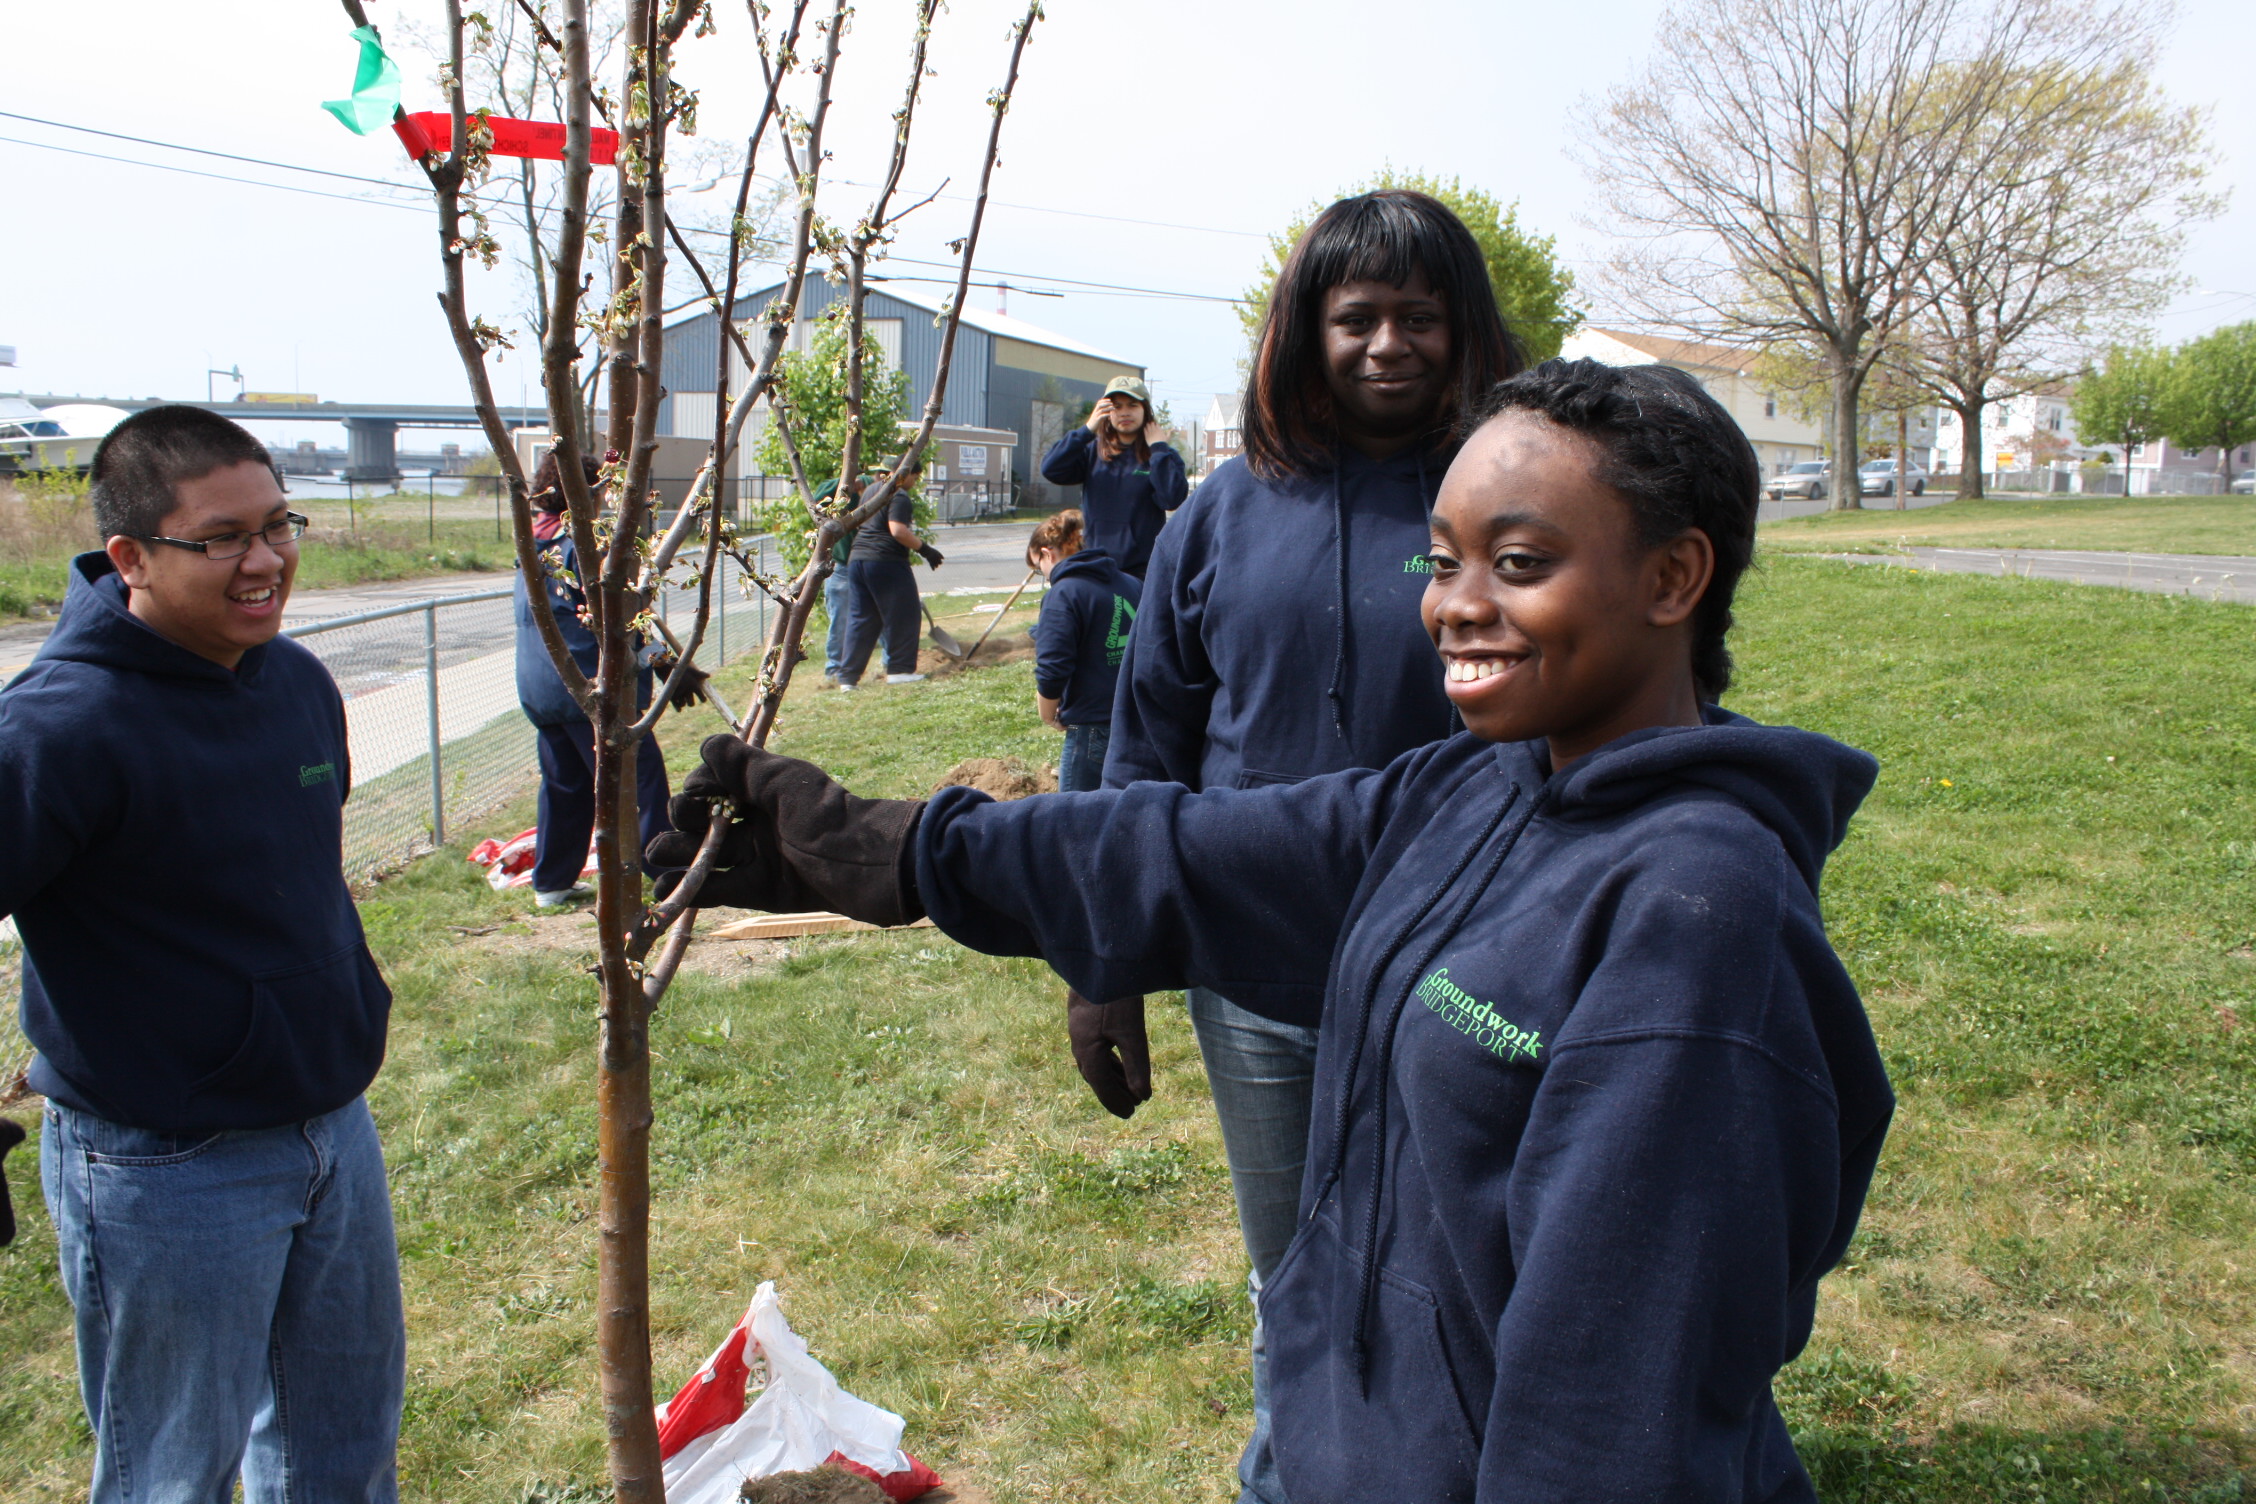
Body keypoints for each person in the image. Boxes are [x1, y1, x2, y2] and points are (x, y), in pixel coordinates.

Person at [652, 358, 1894, 1503]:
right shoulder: (1478, 788)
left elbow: (1615, 1424)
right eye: (1444, 560)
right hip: (1334, 1438)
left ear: (1674, 577)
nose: (1456, 608)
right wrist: (878, 847)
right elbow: (1182, 854)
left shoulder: (1695, 930)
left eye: (1518, 564)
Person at [1102, 188, 1523, 1503]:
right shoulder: (1219, 516)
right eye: (1357, 317)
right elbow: (1145, 747)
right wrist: (1104, 961)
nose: (1390, 342)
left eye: (1421, 316)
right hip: (1259, 982)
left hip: (1468, 974)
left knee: (1472, 1266)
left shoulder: (1508, 502)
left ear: (1465, 333)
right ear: (1305, 332)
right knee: (1294, 1272)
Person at [0, 406, 406, 1499]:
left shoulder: (295, 683)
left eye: (280, 524)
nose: (265, 559)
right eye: (222, 537)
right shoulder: (57, 730)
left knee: (345, 1454)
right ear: (129, 556)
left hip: (330, 1123)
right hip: (163, 1167)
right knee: (172, 1477)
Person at [512, 448, 681, 904]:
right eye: (603, 487)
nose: (608, 496)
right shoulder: (579, 546)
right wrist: (663, 662)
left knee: (566, 785)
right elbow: (615, 619)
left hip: (541, 688)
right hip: (586, 688)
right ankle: (666, 868)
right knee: (637, 775)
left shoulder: (534, 541)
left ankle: (551, 883)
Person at [1026, 508, 1150, 1117]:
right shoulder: (1130, 584)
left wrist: (1051, 711)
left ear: (1046, 555)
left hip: (1093, 731)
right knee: (1130, 832)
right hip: (1138, 724)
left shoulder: (1065, 594)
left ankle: (1090, 939)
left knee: (1077, 841)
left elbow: (1053, 662)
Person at [1039, 375, 1188, 579]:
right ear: (1106, 412)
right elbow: (1051, 469)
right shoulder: (1092, 452)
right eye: (1116, 407)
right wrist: (1087, 429)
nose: (1124, 412)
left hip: (1143, 572)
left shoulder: (1162, 456)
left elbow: (1171, 499)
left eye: (1132, 405)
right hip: (1097, 568)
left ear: (1145, 410)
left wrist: (1158, 448)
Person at [837, 456, 944, 691]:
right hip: (885, 562)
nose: (915, 482)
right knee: (905, 614)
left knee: (862, 618)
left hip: (858, 561)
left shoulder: (872, 490)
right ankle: (901, 670)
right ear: (905, 474)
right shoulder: (899, 494)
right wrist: (926, 550)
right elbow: (897, 530)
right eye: (915, 477)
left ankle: (848, 678)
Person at [812, 473, 862, 683]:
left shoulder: (874, 493)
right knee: (839, 620)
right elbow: (818, 499)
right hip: (842, 567)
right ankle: (834, 669)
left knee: (881, 613)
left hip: (868, 564)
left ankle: (891, 663)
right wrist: (846, 483)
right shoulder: (841, 499)